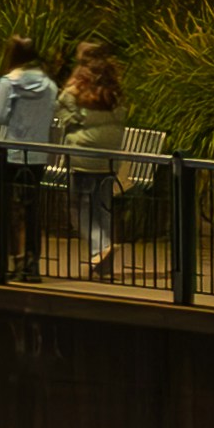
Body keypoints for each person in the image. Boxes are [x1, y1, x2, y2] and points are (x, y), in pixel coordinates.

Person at [0, 38, 68, 282]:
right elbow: (51, 114)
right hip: (37, 154)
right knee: (31, 208)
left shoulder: (9, 83)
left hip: (10, 152)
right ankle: (31, 263)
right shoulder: (49, 85)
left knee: (5, 208)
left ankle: (7, 261)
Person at [54, 42, 137, 272]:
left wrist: (74, 118)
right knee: (102, 207)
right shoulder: (114, 87)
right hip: (108, 156)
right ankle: (102, 261)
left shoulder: (79, 85)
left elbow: (61, 105)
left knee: (78, 208)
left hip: (84, 155)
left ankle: (102, 246)